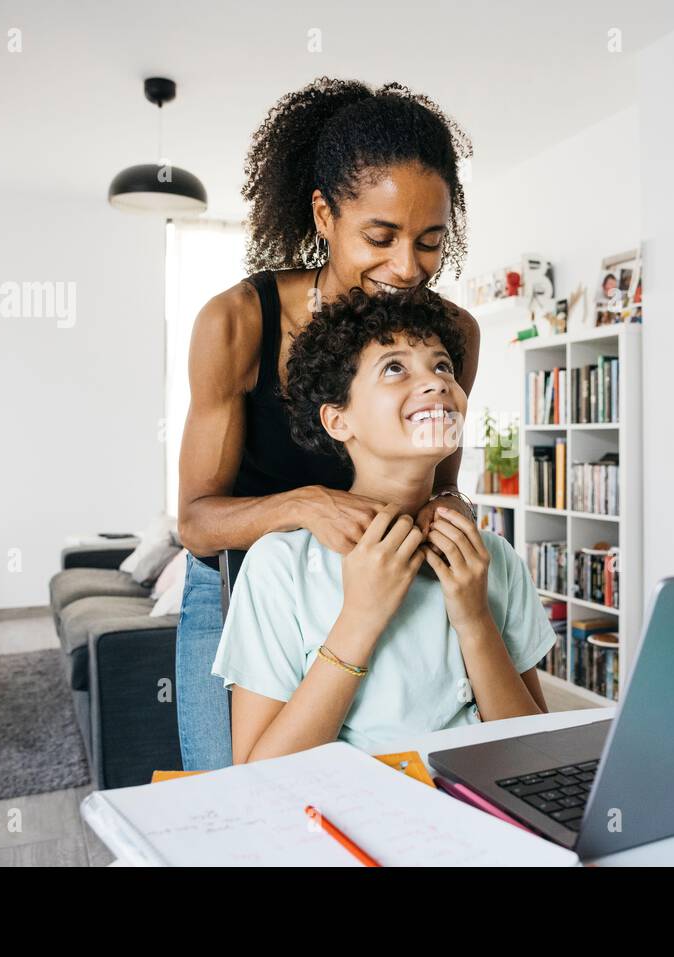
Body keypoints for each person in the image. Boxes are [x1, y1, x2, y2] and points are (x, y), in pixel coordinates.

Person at [175, 78, 481, 770]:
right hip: (238, 585)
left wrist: (451, 512)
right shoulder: (238, 323)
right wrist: (306, 506)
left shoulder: (453, 332)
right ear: (323, 213)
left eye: (430, 242)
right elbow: (195, 522)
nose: (407, 268)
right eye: (381, 235)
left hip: (365, 588)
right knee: (228, 799)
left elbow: (439, 481)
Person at [212, 288, 554, 761]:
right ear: (338, 419)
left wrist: (475, 618)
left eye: (442, 367)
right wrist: (361, 618)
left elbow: (538, 753)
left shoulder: (492, 557)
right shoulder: (279, 567)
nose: (436, 384)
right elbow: (258, 771)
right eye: (395, 368)